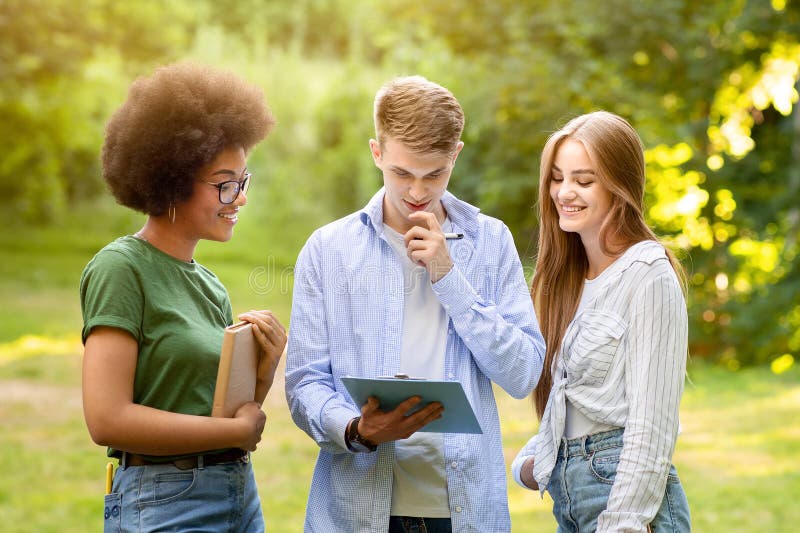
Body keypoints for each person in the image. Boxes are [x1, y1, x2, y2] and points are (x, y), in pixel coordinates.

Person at [285, 75, 546, 532]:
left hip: (464, 511)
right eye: (402, 173)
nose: (418, 192)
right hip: (356, 510)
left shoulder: (491, 241)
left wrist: (450, 277)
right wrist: (356, 430)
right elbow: (305, 381)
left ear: (456, 155)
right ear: (376, 153)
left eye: (435, 175)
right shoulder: (328, 249)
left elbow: (523, 373)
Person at [80, 62, 287, 532]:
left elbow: (219, 413)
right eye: (224, 184)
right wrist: (234, 432)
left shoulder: (209, 285)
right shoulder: (121, 269)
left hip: (237, 493)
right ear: (171, 178)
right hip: (166, 503)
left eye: (243, 181)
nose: (239, 198)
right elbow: (107, 419)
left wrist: (265, 371)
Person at [511, 111, 691, 532]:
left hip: (625, 506)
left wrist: (623, 523)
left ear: (619, 187)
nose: (564, 192)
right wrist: (536, 461)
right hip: (571, 504)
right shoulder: (569, 281)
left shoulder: (647, 272)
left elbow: (653, 425)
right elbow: (577, 403)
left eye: (583, 180)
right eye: (557, 178)